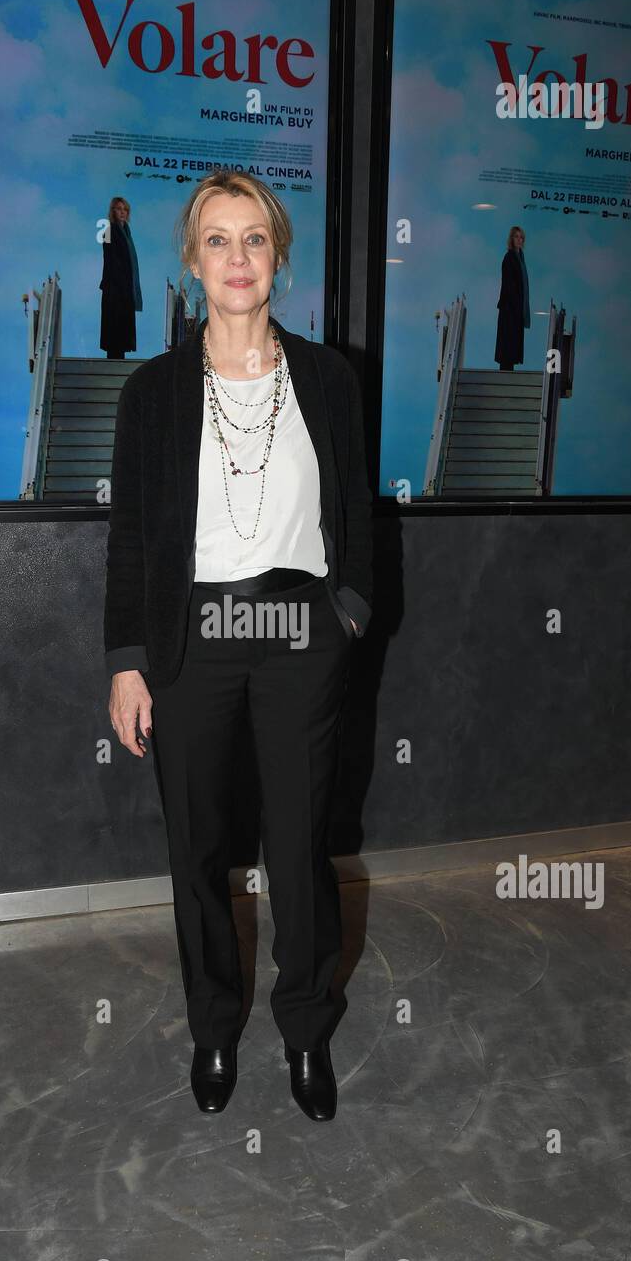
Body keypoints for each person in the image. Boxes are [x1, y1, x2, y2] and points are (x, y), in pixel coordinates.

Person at [103, 170, 373, 1121]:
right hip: (195, 637)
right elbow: (132, 535)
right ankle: (215, 1029)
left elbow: (357, 514)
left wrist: (349, 612)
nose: (237, 259)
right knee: (200, 850)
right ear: (192, 259)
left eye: (253, 239)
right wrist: (127, 661)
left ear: (278, 254)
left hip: (300, 632)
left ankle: (306, 1033)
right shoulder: (153, 393)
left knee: (300, 850)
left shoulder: (331, 379)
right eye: (217, 241)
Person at [100, 196, 142, 359]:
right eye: (119, 209)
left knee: (121, 329)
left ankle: (118, 358)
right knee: (115, 329)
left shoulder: (126, 231)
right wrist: (118, 286)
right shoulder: (108, 230)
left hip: (125, 288)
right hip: (115, 288)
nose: (122, 212)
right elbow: (110, 260)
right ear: (113, 211)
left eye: (125, 209)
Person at [495, 224, 530, 371]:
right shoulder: (510, 257)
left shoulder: (520, 258)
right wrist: (515, 307)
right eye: (516, 236)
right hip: (510, 309)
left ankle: (507, 371)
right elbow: (509, 286)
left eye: (521, 237)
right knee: (508, 346)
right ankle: (505, 374)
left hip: (515, 309)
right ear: (511, 239)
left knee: (511, 345)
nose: (519, 240)